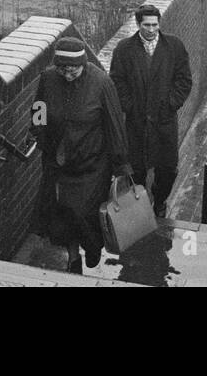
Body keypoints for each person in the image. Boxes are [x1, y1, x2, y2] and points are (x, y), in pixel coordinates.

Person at [31, 36, 132, 274]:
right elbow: (39, 108)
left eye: (72, 69)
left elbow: (115, 125)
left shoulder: (101, 83)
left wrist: (122, 167)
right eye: (62, 68)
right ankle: (73, 257)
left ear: (83, 64)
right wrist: (37, 131)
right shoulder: (47, 79)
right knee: (64, 212)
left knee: (81, 212)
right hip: (59, 162)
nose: (66, 74)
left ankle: (92, 246)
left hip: (92, 164)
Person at [110, 4, 193, 219]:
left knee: (168, 168)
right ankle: (141, 204)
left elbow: (184, 80)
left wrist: (170, 104)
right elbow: (117, 81)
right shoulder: (124, 49)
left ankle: (160, 200)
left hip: (164, 122)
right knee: (136, 169)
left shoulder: (174, 46)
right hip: (136, 123)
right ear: (138, 25)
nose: (151, 29)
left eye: (155, 25)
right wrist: (130, 106)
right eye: (146, 25)